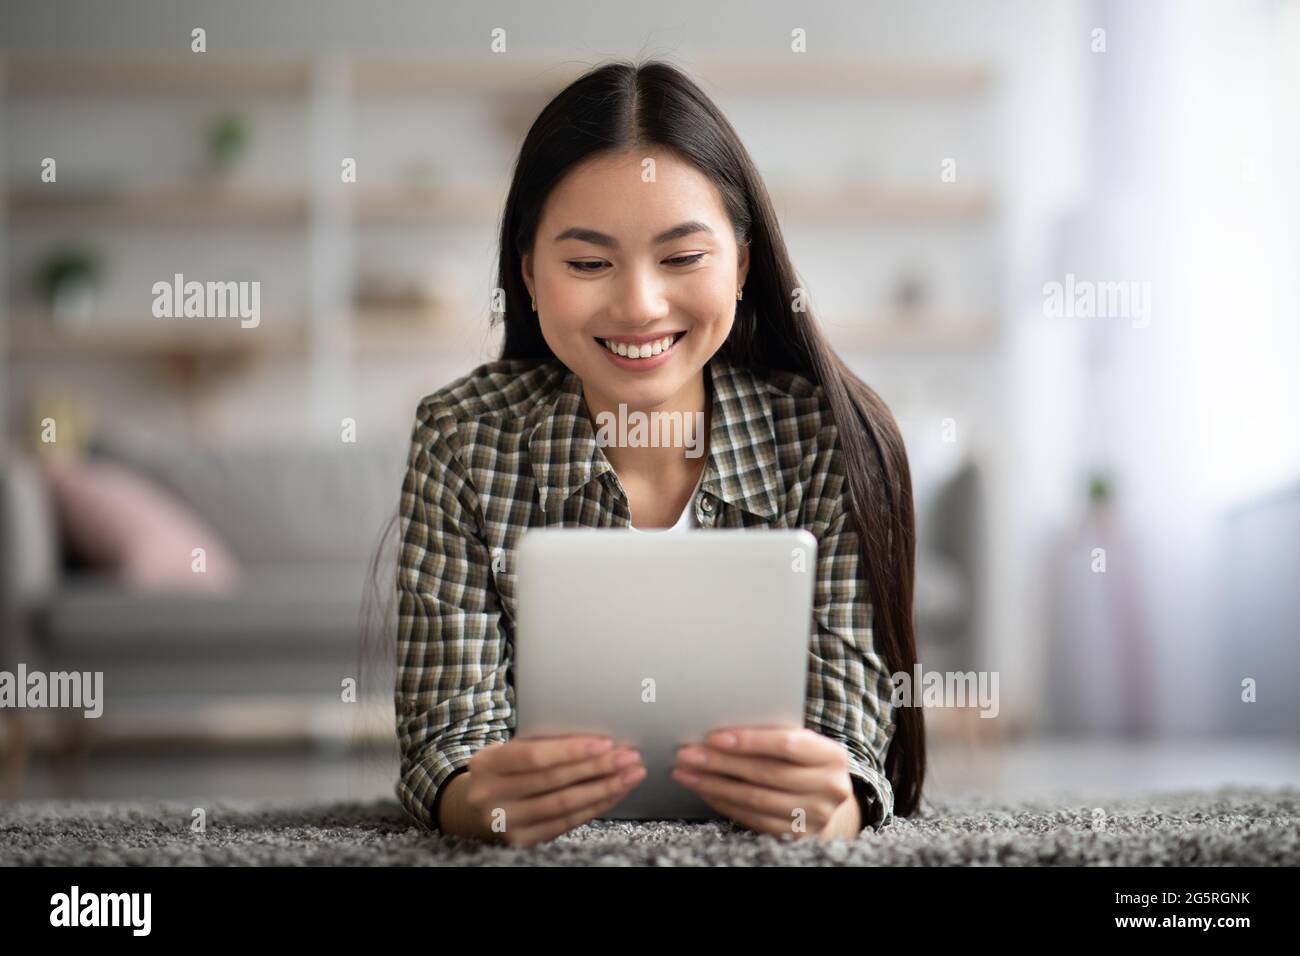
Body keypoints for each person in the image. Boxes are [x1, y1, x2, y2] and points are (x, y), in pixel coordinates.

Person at [392, 58, 924, 847]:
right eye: (587, 263)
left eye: (682, 258)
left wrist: (834, 803)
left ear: (743, 265)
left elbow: (848, 749)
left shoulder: (831, 440)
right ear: (529, 274)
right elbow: (448, 748)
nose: (639, 305)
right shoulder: (461, 437)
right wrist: (479, 804)